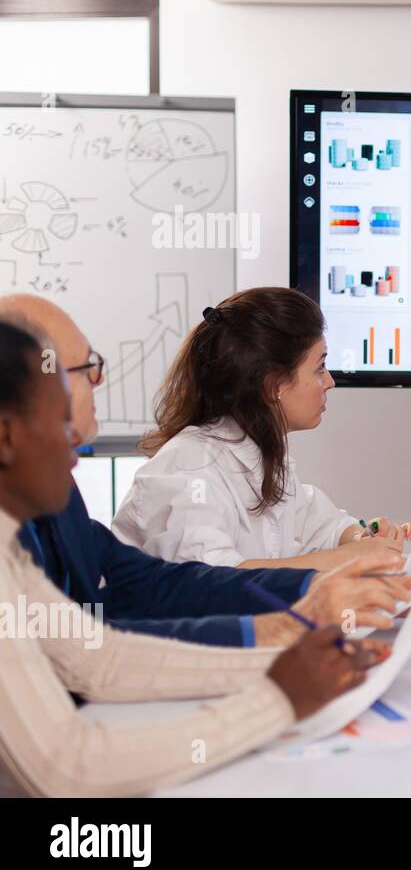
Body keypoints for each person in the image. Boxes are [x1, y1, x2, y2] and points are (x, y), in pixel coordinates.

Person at [0, 318, 386, 797]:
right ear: (6, 436)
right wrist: (278, 698)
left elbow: (97, 658)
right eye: (61, 423)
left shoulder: (12, 545)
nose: (77, 450)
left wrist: (290, 657)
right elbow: (68, 766)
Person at [0, 295, 411, 647]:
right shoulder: (189, 467)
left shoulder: (59, 497)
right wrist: (331, 573)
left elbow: (307, 518)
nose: (100, 380)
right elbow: (202, 585)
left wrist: (354, 539)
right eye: (320, 367)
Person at [113, 287, 411, 568]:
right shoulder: (190, 470)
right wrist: (346, 557)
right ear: (273, 386)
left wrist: (360, 538)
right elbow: (214, 583)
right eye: (320, 367)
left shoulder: (256, 452)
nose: (329, 382)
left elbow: (317, 525)